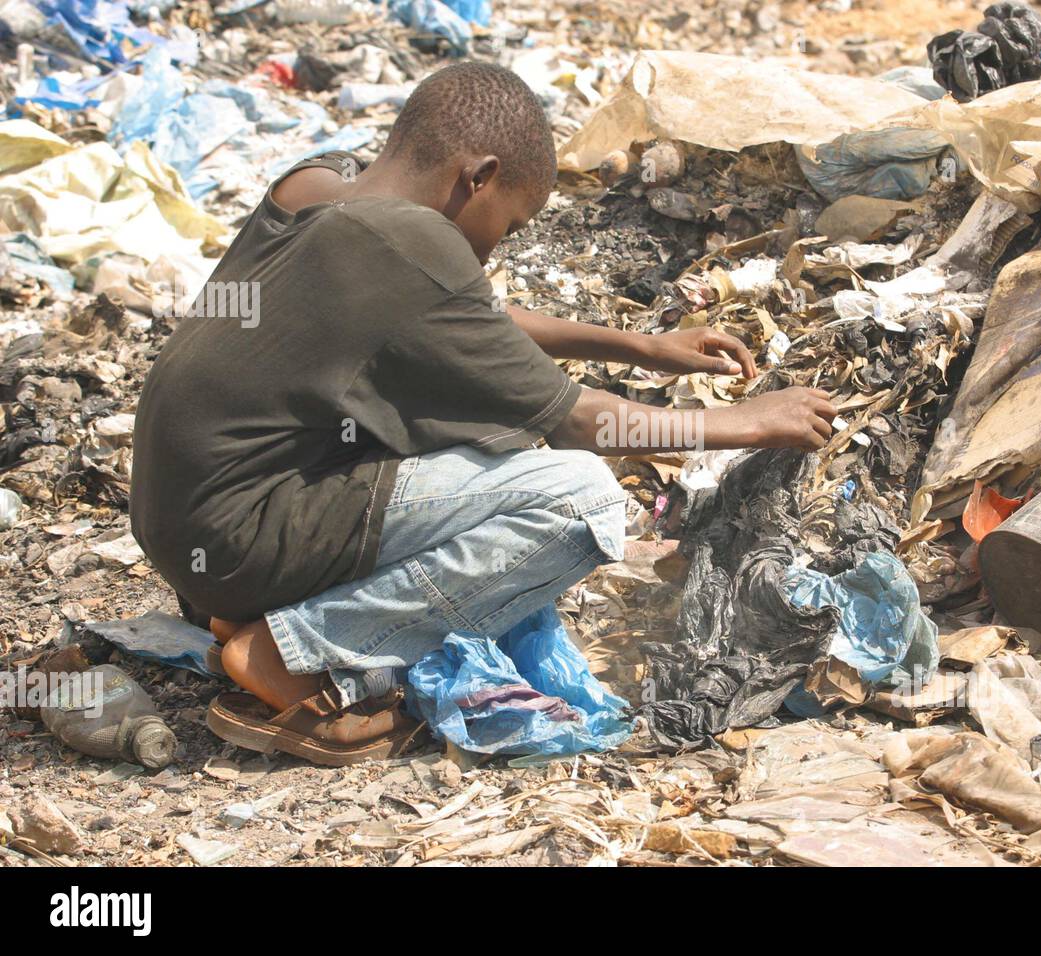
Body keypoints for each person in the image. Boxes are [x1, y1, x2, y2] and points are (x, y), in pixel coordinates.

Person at [130, 61, 836, 764]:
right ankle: (292, 650)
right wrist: (746, 422)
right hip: (240, 536)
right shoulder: (411, 244)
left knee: (493, 431)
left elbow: (465, 307)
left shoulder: (316, 188)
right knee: (581, 497)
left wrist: (640, 346)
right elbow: (580, 421)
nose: (501, 243)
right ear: (477, 176)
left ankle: (246, 611)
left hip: (184, 523)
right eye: (513, 219)